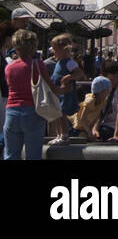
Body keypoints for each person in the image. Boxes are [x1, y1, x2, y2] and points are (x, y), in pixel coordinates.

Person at [4, 28, 58, 160]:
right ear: (33, 46)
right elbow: (51, 87)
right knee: (33, 155)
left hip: (11, 112)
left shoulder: (9, 67)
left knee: (11, 156)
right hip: (33, 111)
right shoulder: (38, 64)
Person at [47, 34, 84, 143]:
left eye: (55, 49)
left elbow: (80, 73)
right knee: (58, 113)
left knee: (62, 113)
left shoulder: (69, 62)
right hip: (59, 92)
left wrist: (69, 77)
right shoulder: (59, 62)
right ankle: (59, 134)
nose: (53, 52)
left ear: (63, 50)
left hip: (65, 92)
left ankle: (64, 135)